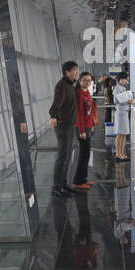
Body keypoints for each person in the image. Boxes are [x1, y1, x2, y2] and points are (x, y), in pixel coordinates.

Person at [48, 61, 79, 197]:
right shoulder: (62, 86)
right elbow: (55, 105)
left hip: (69, 125)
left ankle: (63, 184)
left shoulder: (70, 86)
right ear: (67, 71)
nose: (76, 72)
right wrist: (53, 116)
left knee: (67, 157)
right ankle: (57, 187)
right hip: (63, 126)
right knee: (62, 157)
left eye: (76, 70)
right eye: (74, 70)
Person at [73, 71, 96, 190]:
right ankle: (77, 181)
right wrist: (81, 131)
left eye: (89, 80)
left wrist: (91, 125)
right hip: (81, 127)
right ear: (79, 81)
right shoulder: (78, 94)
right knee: (83, 154)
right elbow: (79, 115)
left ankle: (83, 179)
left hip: (87, 126)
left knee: (86, 154)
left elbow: (90, 111)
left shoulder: (87, 92)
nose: (87, 82)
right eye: (84, 80)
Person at [113, 72, 133, 160]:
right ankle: (118, 153)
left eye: (126, 79)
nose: (125, 80)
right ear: (120, 79)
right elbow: (115, 100)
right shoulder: (117, 88)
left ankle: (122, 152)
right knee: (120, 133)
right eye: (124, 79)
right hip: (121, 112)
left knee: (124, 134)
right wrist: (127, 101)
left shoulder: (124, 88)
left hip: (125, 111)